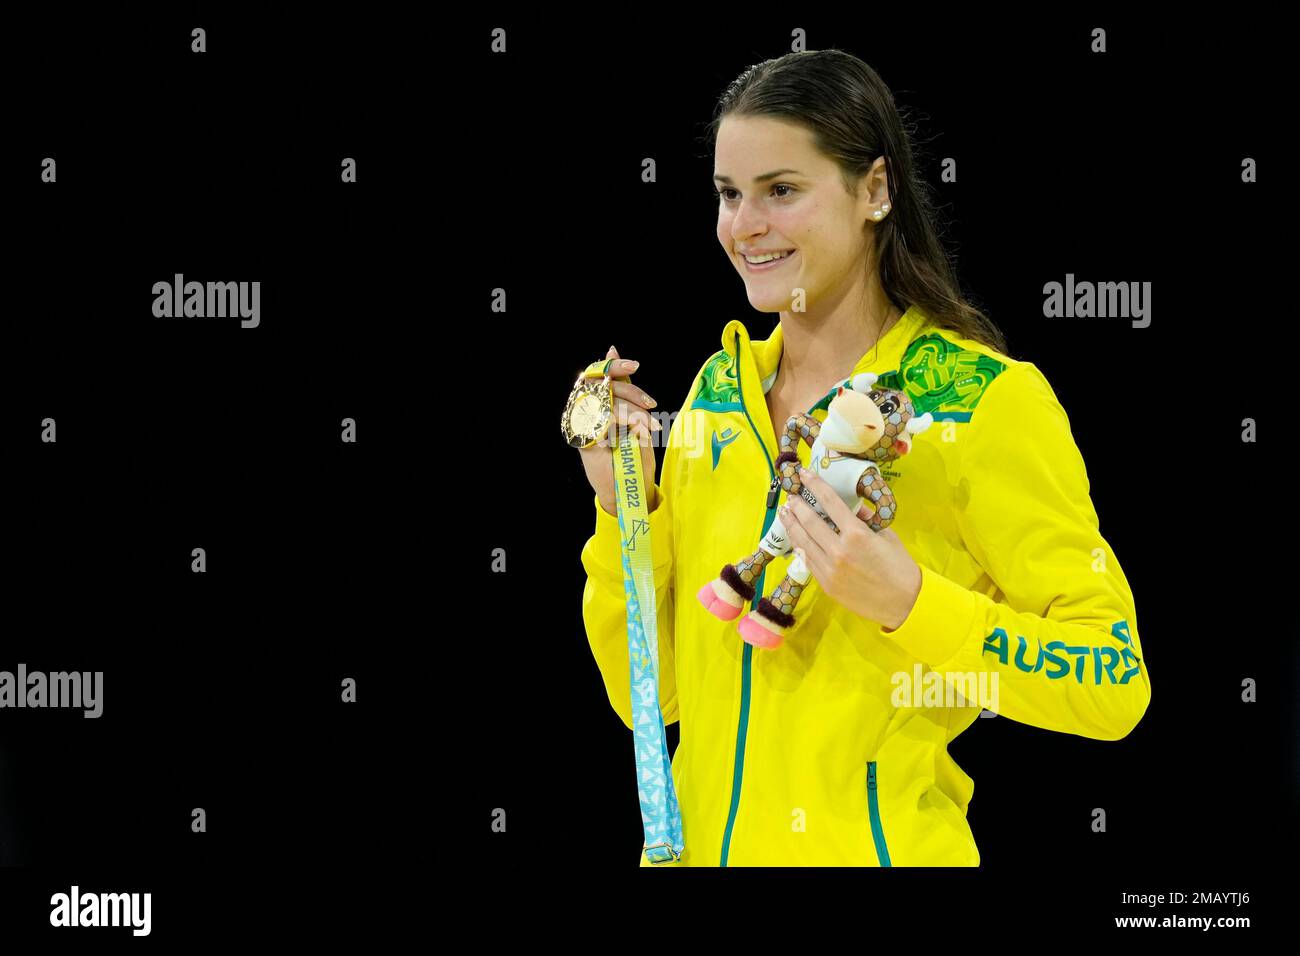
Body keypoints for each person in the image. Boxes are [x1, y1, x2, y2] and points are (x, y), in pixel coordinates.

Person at [573, 49, 1150, 867]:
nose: (744, 226)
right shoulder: (713, 395)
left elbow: (1112, 681)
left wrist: (913, 602)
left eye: (781, 191)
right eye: (729, 195)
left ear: (875, 190)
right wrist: (622, 507)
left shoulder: (985, 400)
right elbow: (651, 696)